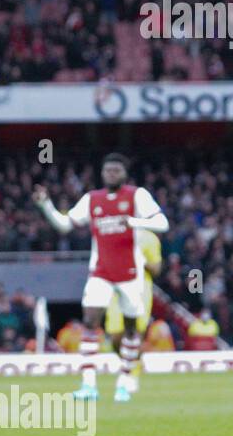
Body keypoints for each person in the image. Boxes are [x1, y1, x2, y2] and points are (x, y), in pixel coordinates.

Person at [33, 154, 169, 402]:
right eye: (108, 170)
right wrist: (46, 205)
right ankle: (88, 385)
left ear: (124, 174)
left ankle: (125, 380)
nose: (111, 174)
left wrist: (134, 222)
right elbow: (65, 225)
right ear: (102, 173)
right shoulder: (92, 199)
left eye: (116, 170)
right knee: (90, 320)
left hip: (131, 273)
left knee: (130, 329)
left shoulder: (137, 196)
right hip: (101, 271)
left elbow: (162, 223)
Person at [101, 227, 162, 392]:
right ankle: (130, 366)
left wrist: (140, 260)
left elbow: (156, 269)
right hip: (116, 288)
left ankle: (132, 375)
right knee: (115, 337)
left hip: (140, 290)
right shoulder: (113, 233)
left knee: (134, 334)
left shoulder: (150, 238)